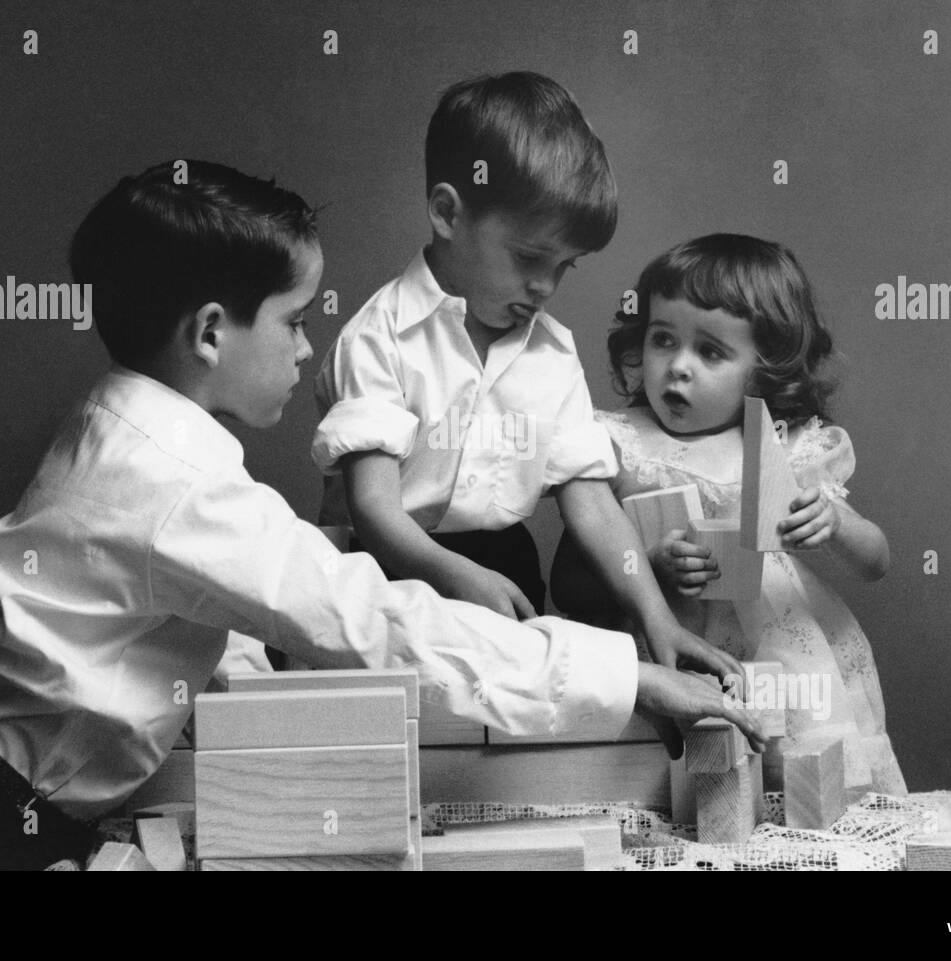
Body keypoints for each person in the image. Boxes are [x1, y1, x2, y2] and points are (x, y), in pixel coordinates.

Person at [0, 163, 763, 871]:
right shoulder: (175, 478)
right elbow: (374, 622)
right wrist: (628, 676)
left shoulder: (120, 426)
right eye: (292, 319)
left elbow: (179, 611)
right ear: (208, 333)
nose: (310, 345)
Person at [312, 72, 738, 680]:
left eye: (564, 266)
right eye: (530, 259)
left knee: (504, 753)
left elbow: (590, 504)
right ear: (446, 213)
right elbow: (375, 512)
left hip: (506, 570)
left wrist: (655, 617)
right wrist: (454, 577)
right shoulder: (380, 336)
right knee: (407, 744)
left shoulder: (552, 352)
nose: (545, 287)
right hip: (390, 570)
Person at [553, 234, 905, 797]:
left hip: (785, 668)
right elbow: (567, 584)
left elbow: (876, 562)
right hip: (663, 670)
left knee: (794, 797)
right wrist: (645, 563)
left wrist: (835, 525)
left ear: (762, 369)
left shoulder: (784, 451)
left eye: (710, 352)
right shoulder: (619, 449)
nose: (678, 367)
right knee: (678, 805)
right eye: (663, 339)